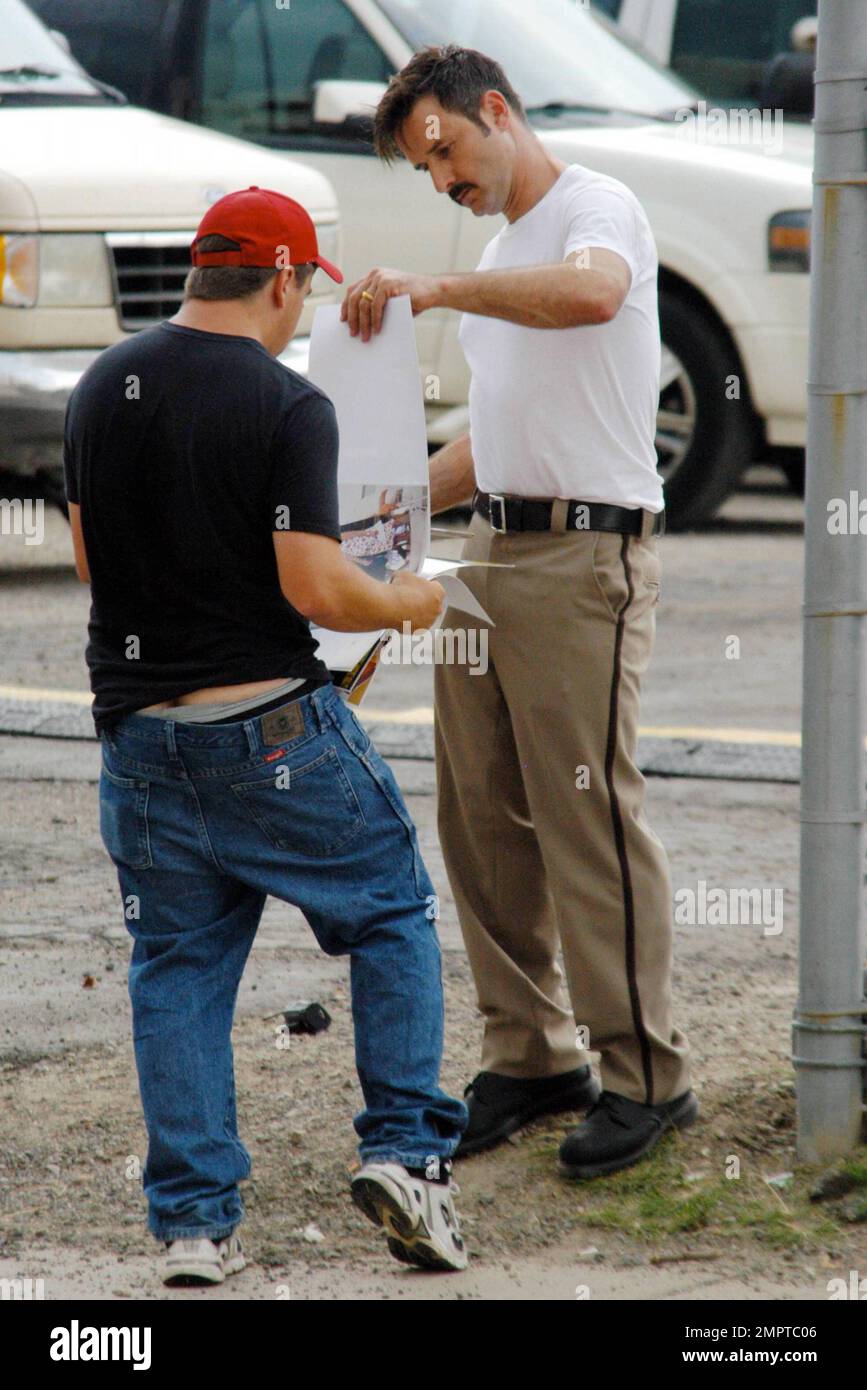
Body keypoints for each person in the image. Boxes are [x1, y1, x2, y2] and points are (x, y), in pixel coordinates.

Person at [64, 186, 468, 1283]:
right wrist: (411, 603)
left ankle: (195, 1225)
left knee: (179, 967)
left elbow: (94, 560)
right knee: (390, 904)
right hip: (273, 732)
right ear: (283, 279)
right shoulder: (288, 404)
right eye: (303, 294)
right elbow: (319, 587)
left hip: (140, 743)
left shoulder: (102, 385)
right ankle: (409, 1158)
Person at [341, 46, 697, 1179]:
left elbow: (591, 294)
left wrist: (436, 289)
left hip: (587, 552)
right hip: (491, 546)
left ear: (495, 110)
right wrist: (364, 513)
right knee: (481, 812)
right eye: (423, 172)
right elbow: (490, 439)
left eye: (443, 150)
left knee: (585, 813)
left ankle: (648, 1074)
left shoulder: (600, 209)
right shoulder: (499, 251)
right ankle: (535, 1053)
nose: (443, 180)